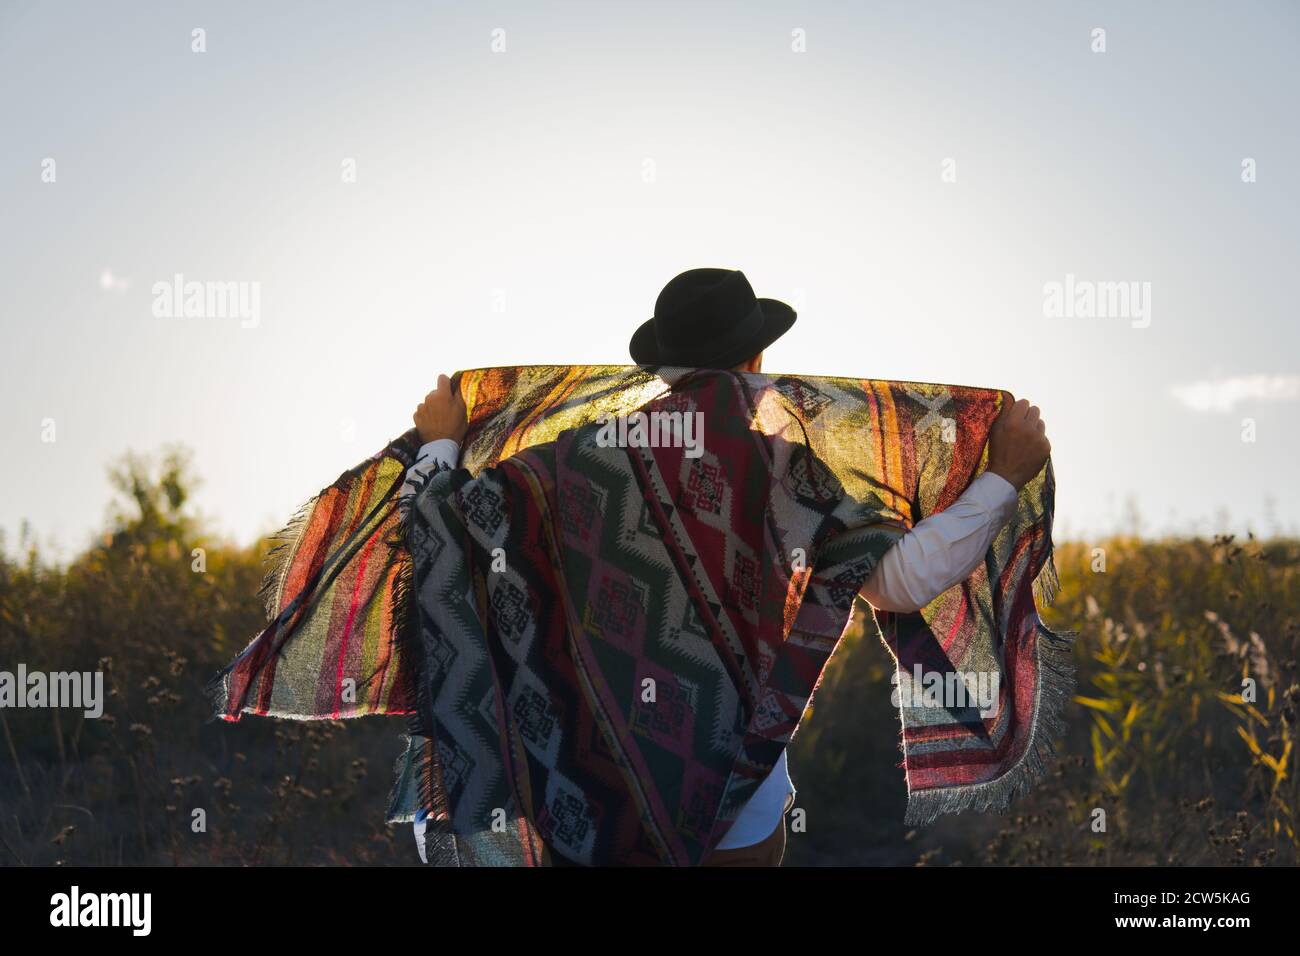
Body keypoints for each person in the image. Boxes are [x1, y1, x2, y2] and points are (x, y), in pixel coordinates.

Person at [403, 267, 1051, 866]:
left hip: (598, 814)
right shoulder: (783, 473)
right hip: (739, 821)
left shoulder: (578, 463)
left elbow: (440, 532)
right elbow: (900, 585)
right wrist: (1000, 477)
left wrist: (441, 439)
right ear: (755, 359)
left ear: (661, 370)